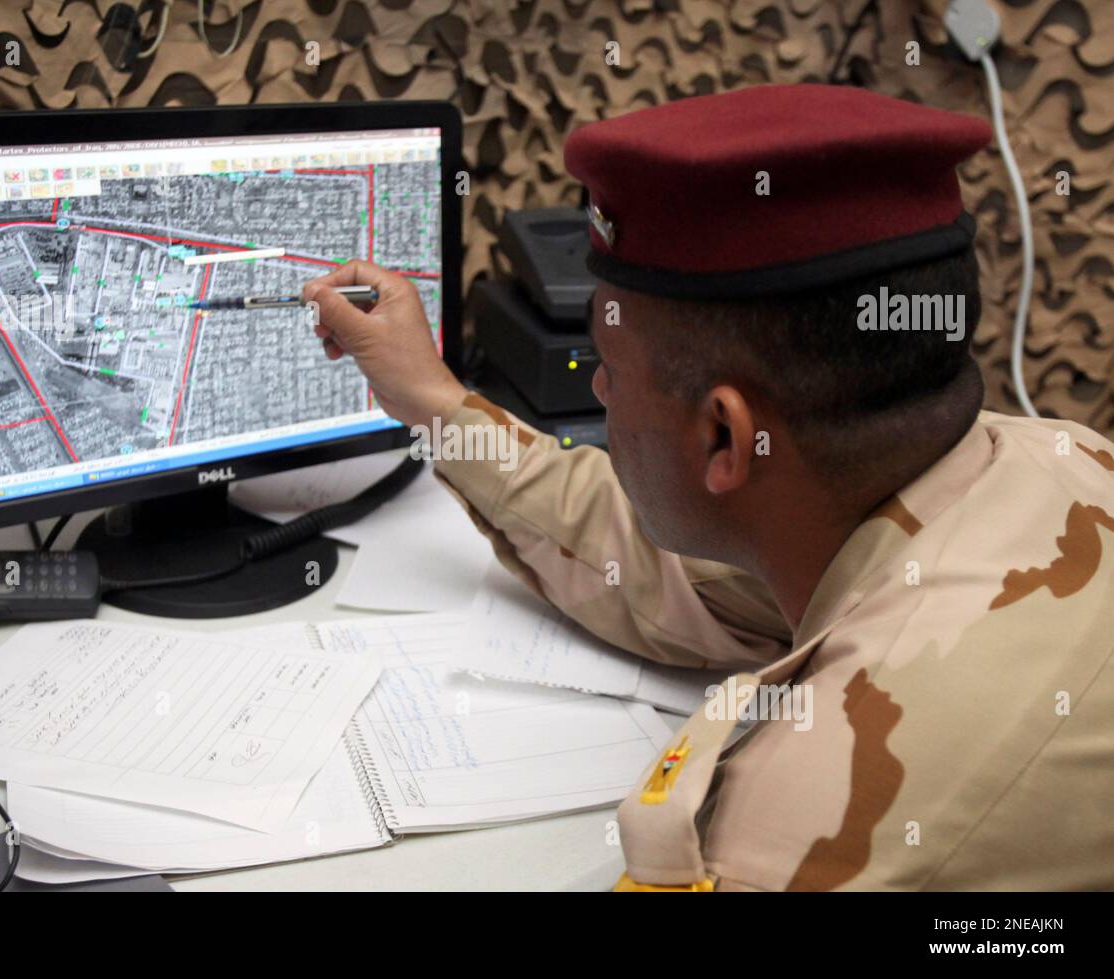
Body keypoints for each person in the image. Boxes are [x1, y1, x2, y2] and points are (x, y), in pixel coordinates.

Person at [301, 84, 1114, 891]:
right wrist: (441, 406)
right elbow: (662, 569)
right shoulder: (1062, 464)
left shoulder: (794, 825)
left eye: (609, 369)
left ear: (724, 436)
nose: (600, 394)